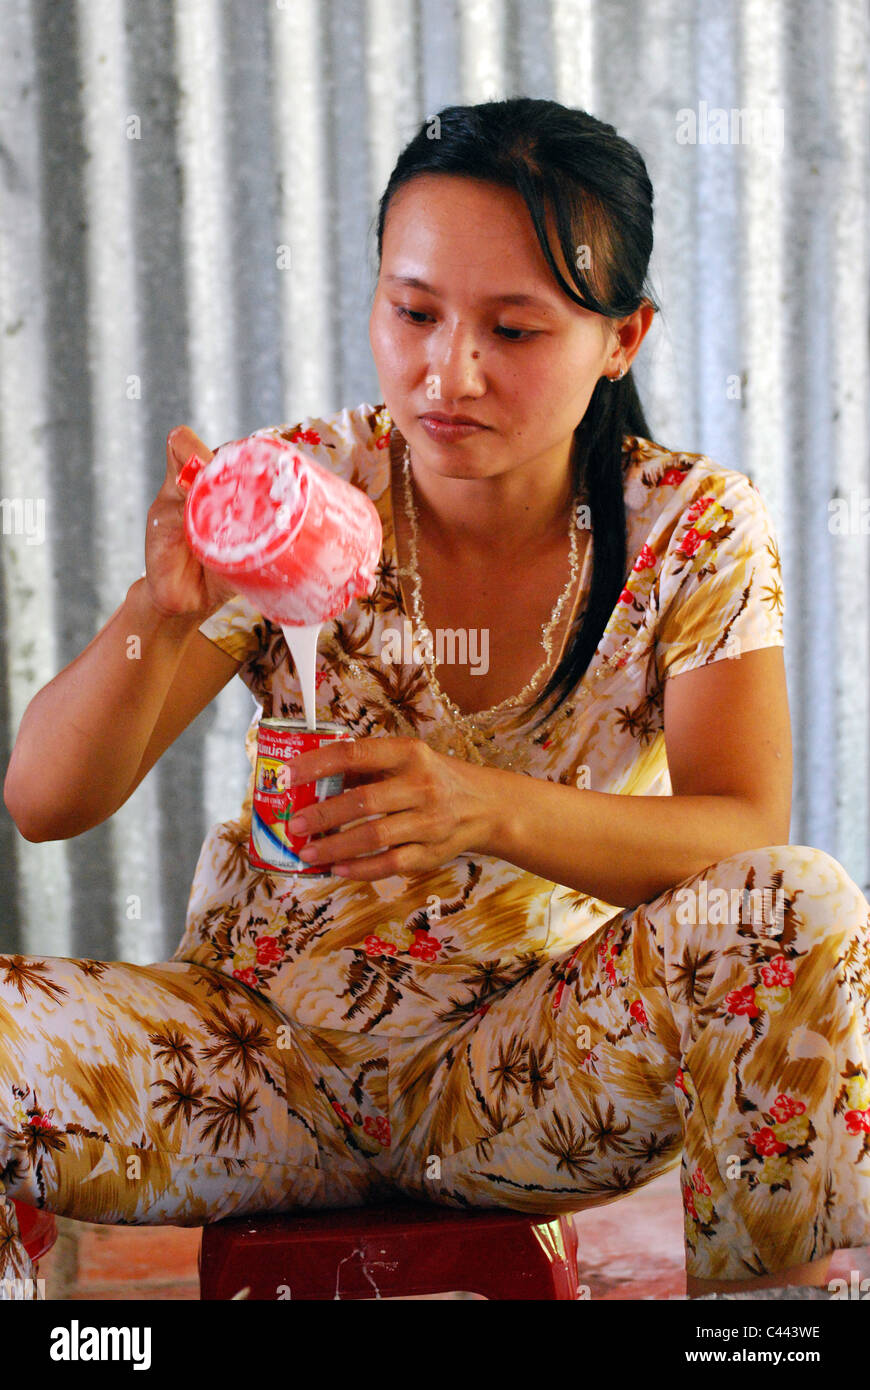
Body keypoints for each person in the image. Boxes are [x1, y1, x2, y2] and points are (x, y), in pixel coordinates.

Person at [3, 98, 869, 1301]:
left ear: (624, 340)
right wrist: (160, 611)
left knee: (800, 905)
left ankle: (767, 1327)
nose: (446, 370)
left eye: (514, 330)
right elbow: (43, 801)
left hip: (525, 1081)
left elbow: (741, 832)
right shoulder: (302, 491)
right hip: (252, 1064)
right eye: (412, 312)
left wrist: (484, 808)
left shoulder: (690, 527)